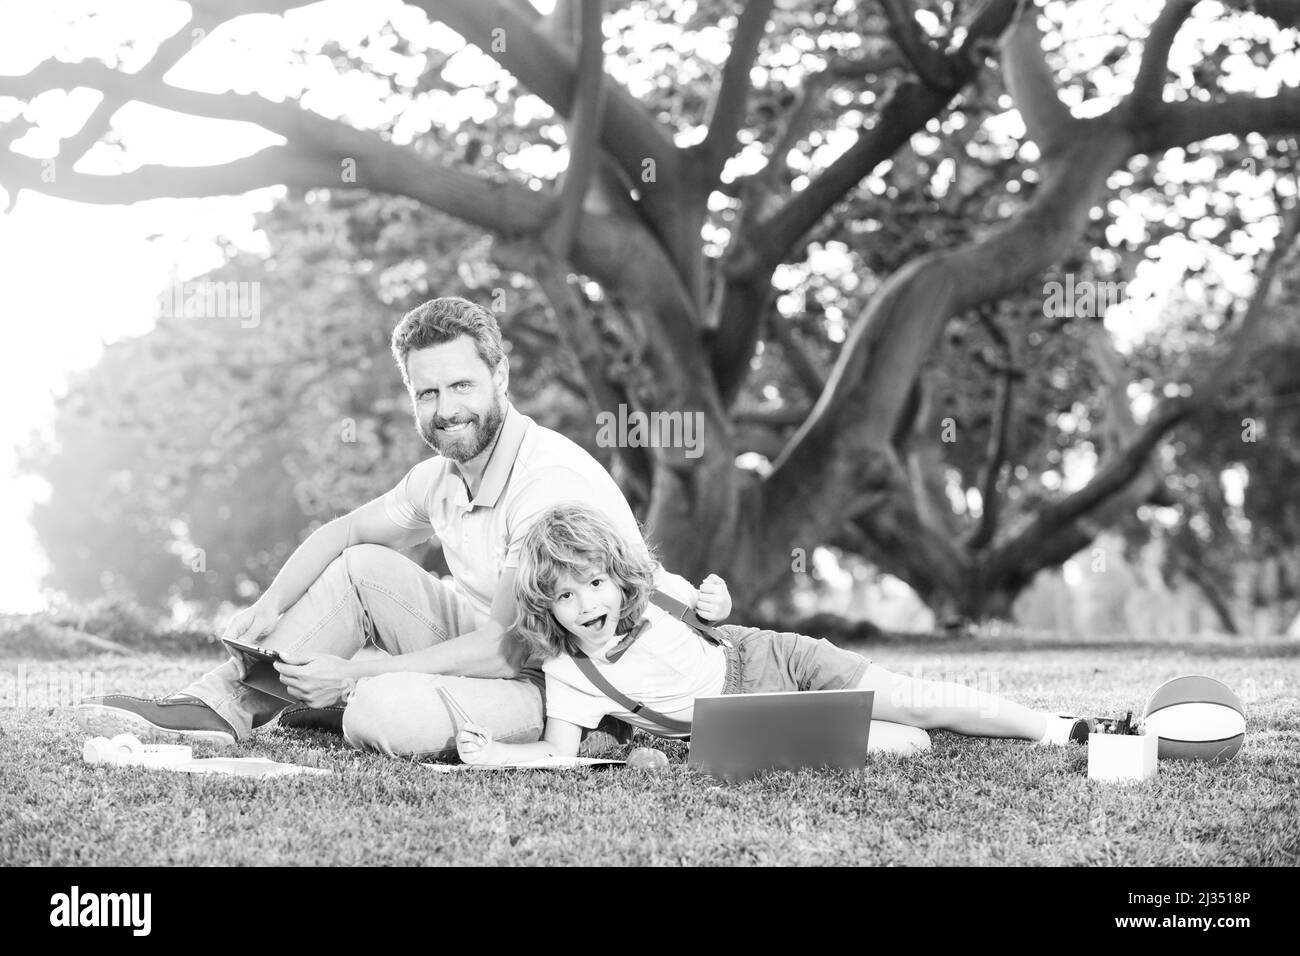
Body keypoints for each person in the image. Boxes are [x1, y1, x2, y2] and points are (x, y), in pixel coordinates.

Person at [75, 297, 694, 758]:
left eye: (461, 385)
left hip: (570, 689)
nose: (447, 409)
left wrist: (355, 674)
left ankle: (338, 695)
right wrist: (269, 607)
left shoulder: (544, 484)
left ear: (500, 378)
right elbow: (342, 535)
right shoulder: (441, 479)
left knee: (382, 712)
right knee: (361, 565)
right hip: (498, 649)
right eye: (427, 393)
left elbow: (506, 651)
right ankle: (221, 704)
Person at [455, 503, 1096, 765]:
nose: (586, 603)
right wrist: (497, 754)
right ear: (546, 606)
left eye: (595, 582)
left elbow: (712, 614)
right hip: (750, 722)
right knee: (907, 748)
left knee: (916, 696)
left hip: (771, 655)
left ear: (620, 578)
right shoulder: (570, 674)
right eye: (565, 595)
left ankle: (1054, 726)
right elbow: (559, 752)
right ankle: (889, 730)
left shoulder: (659, 594)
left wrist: (718, 599)